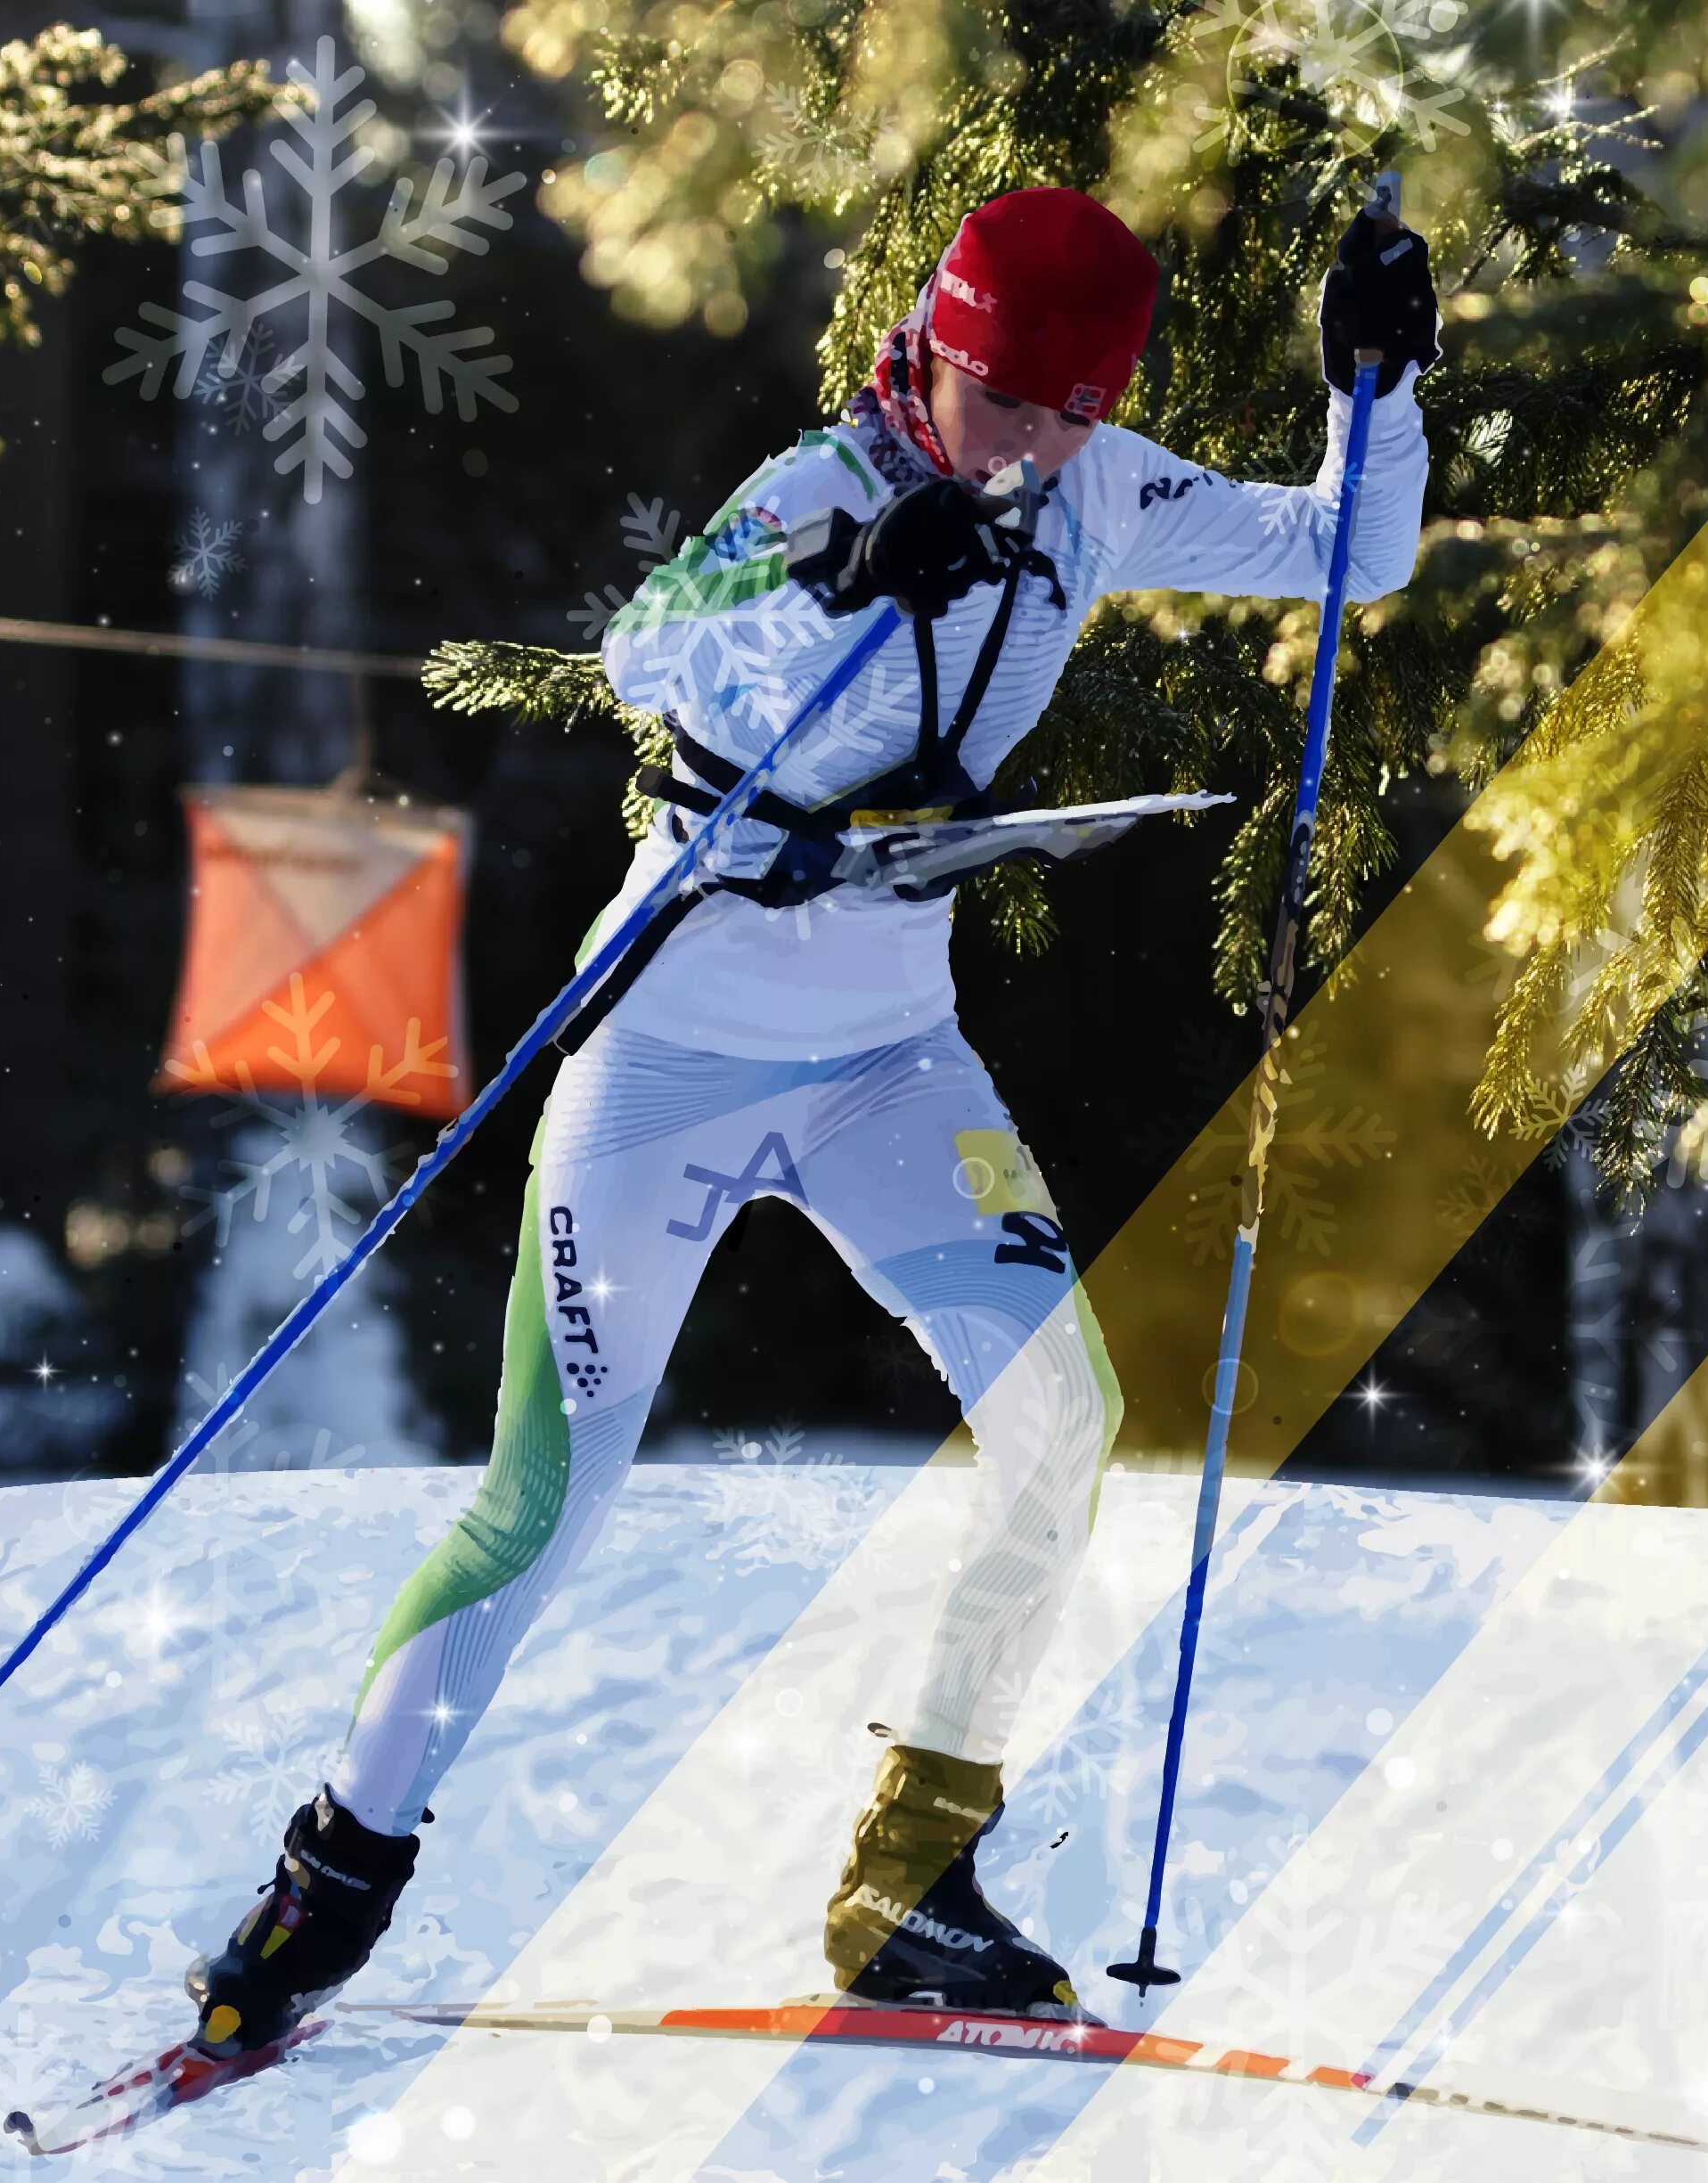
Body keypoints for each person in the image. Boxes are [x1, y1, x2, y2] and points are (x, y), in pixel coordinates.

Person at [184, 184, 1438, 2055]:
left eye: (1057, 415)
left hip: (888, 1061)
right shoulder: (817, 488)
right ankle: (330, 1879)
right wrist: (838, 589)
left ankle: (911, 1879)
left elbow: (1354, 552)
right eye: (987, 398)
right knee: (550, 1497)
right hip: (666, 1059)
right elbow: (644, 653)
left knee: (1059, 1420)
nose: (1014, 446)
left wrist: (1379, 385)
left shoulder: (1089, 484)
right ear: (926, 349)